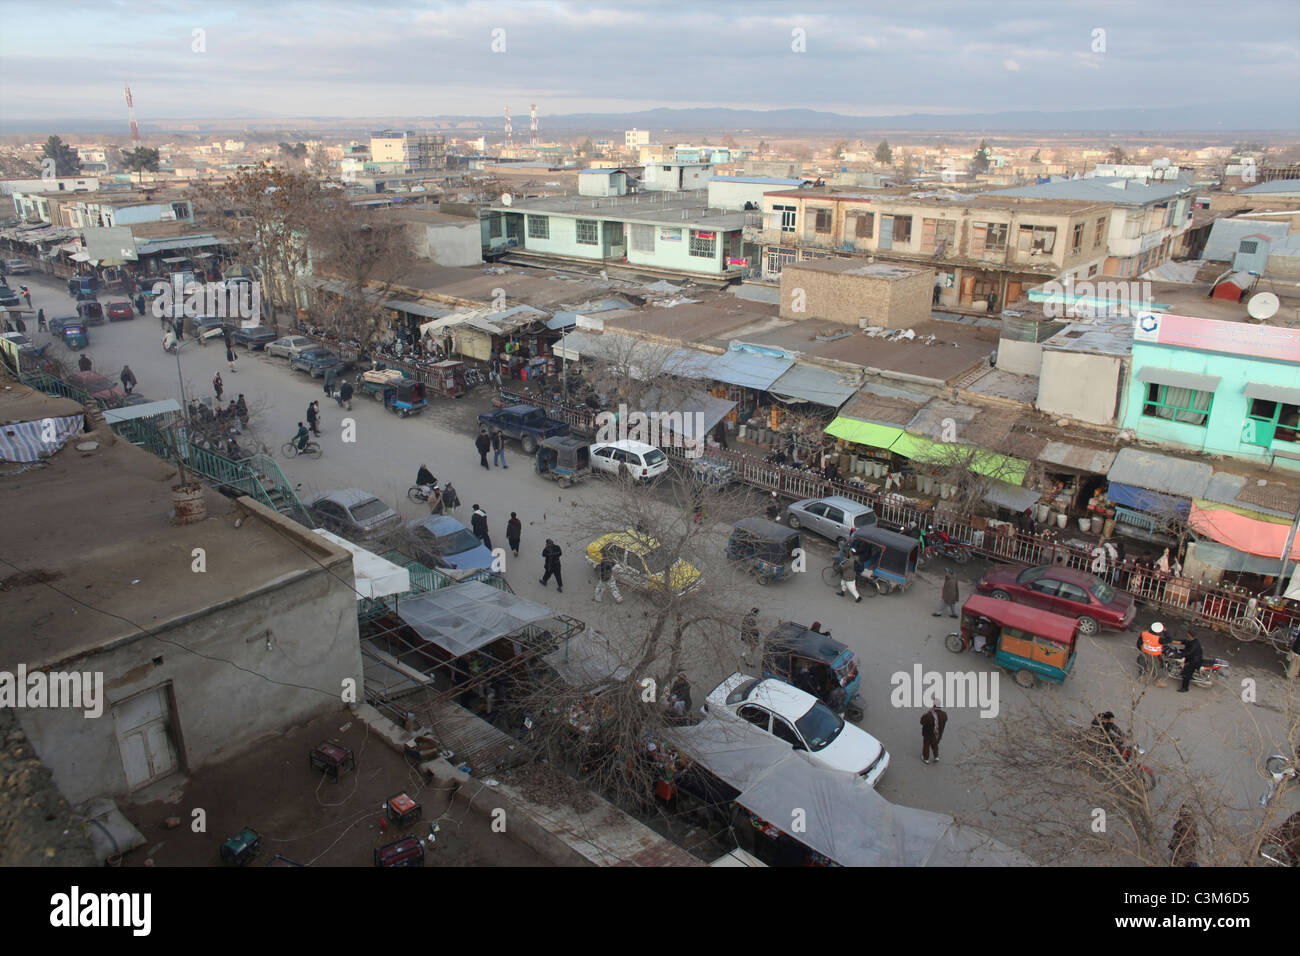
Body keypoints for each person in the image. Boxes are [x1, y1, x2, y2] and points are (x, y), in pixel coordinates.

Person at [1136, 621, 1168, 686]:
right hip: (1154, 655)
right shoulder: (1159, 639)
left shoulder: (1144, 633)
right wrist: (1165, 631)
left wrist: (1141, 650)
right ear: (1159, 631)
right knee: (1156, 667)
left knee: (1142, 664)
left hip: (1144, 652)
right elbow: (1170, 639)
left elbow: (1139, 643)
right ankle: (1158, 681)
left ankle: (1141, 677)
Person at [1174, 629, 1204, 693]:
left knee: (1186, 674)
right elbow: (1185, 641)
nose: (1187, 634)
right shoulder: (1192, 640)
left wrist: (1180, 655)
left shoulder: (1194, 644)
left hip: (1193, 661)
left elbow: (1188, 652)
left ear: (1190, 635)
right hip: (1192, 658)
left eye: (1188, 633)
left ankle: (1185, 688)